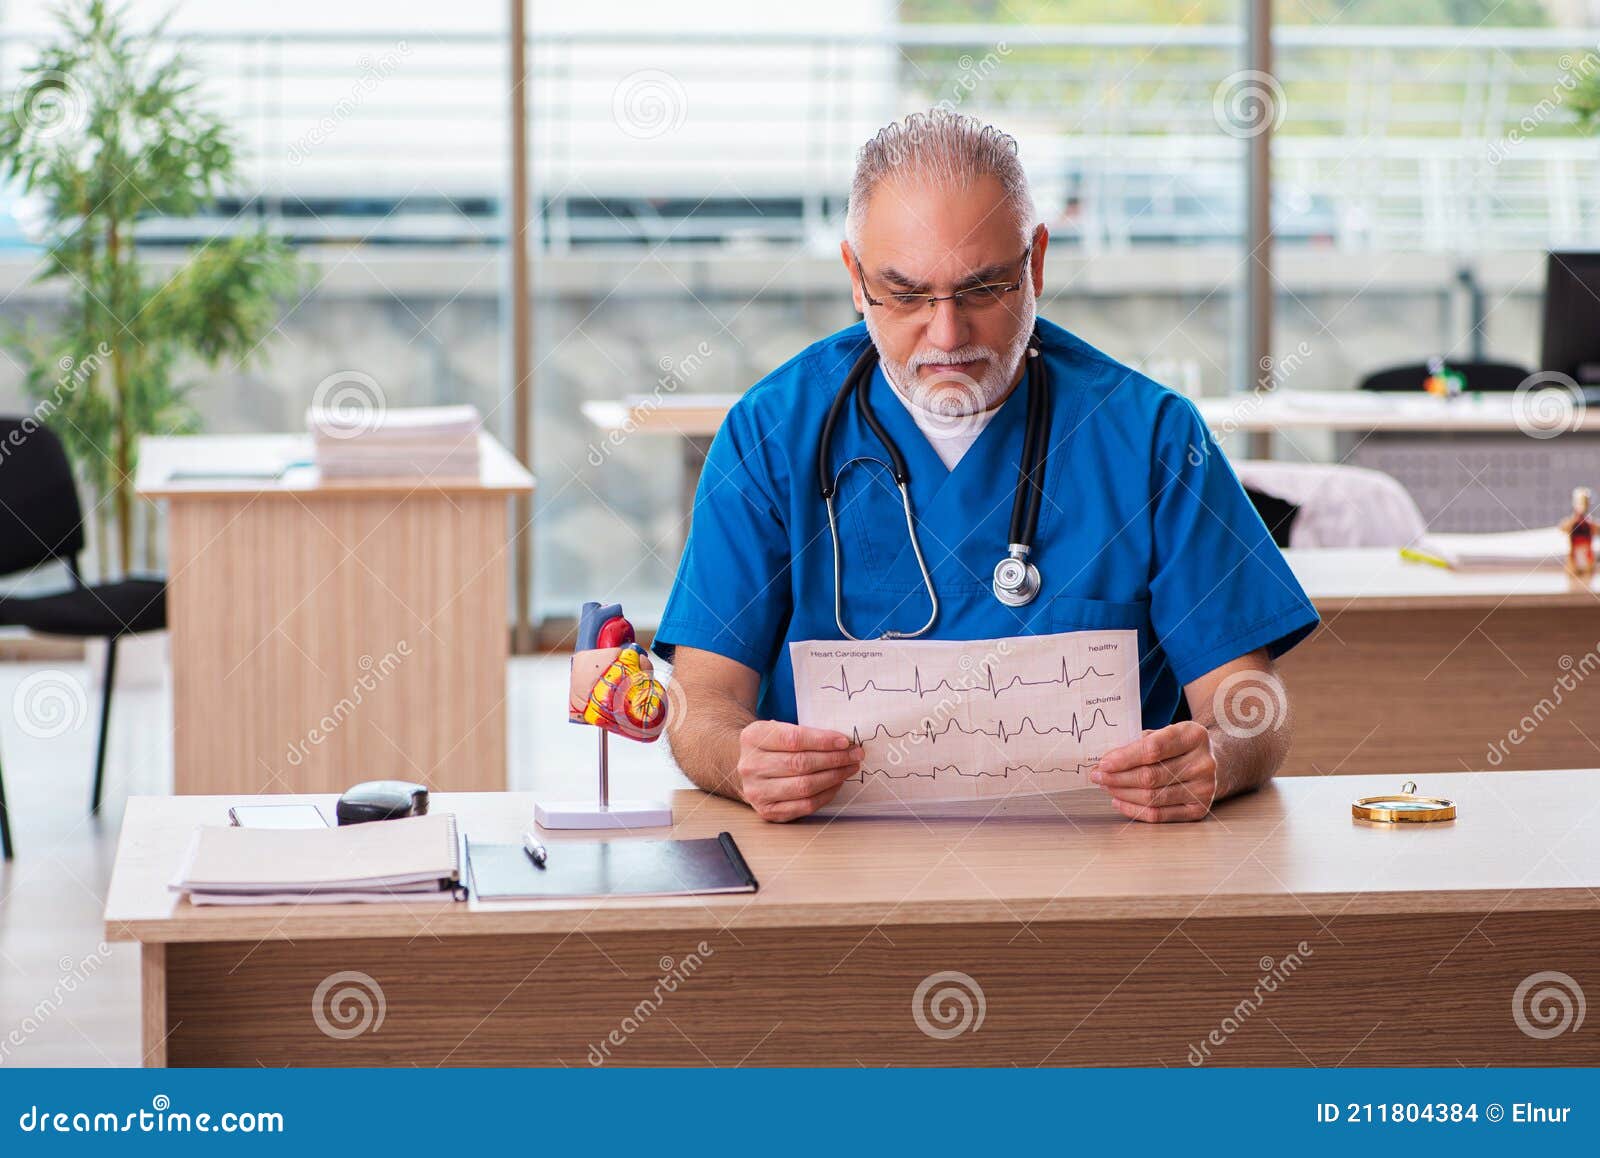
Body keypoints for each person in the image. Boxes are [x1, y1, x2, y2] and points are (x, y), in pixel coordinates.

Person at [652, 109, 1319, 823]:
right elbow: (702, 706)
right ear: (855, 276)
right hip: (834, 863)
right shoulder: (772, 432)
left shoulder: (1151, 435)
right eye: (906, 294)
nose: (946, 333)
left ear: (1034, 263)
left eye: (982, 289)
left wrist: (1214, 757)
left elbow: (1251, 704)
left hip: (1104, 867)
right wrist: (741, 759)